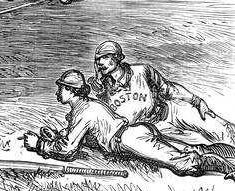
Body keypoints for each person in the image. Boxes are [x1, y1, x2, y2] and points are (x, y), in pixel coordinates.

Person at [25, 70, 233, 179]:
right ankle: (226, 154)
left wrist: (39, 145)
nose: (57, 92)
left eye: (61, 88)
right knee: (187, 151)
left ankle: (228, 168)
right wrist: (56, 135)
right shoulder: (85, 107)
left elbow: (69, 149)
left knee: (183, 163)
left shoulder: (85, 111)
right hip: (132, 133)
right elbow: (77, 135)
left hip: (128, 139)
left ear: (71, 91)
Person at [89, 40, 235, 146]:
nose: (100, 62)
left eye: (105, 57)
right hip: (153, 129)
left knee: (219, 127)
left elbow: (169, 89)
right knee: (197, 149)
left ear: (117, 57)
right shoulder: (102, 91)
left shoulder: (142, 71)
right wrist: (101, 94)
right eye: (98, 60)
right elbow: (106, 122)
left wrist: (197, 101)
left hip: (170, 112)